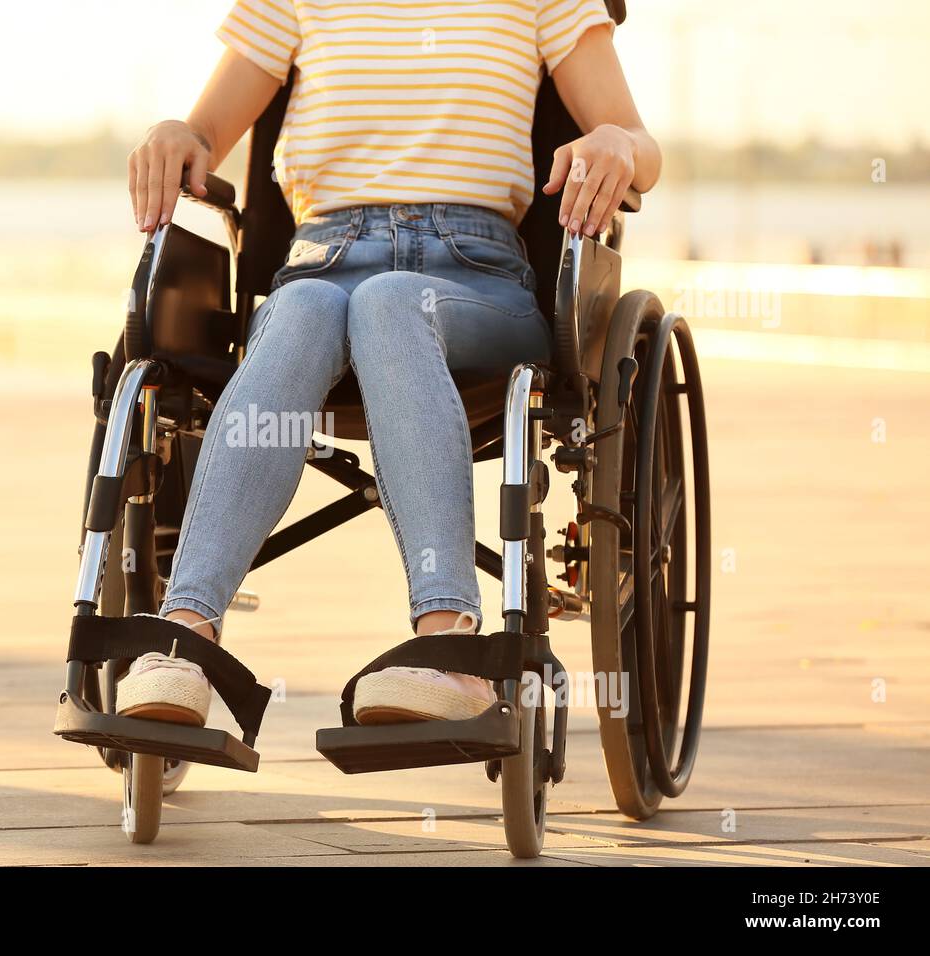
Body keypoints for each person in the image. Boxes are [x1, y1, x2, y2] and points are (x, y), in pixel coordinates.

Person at [116, 0, 660, 727]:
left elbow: (640, 143)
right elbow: (205, 134)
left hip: (476, 275)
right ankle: (184, 635)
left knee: (391, 302)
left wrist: (617, 142)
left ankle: (448, 646)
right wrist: (175, 134)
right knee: (303, 310)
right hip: (322, 262)